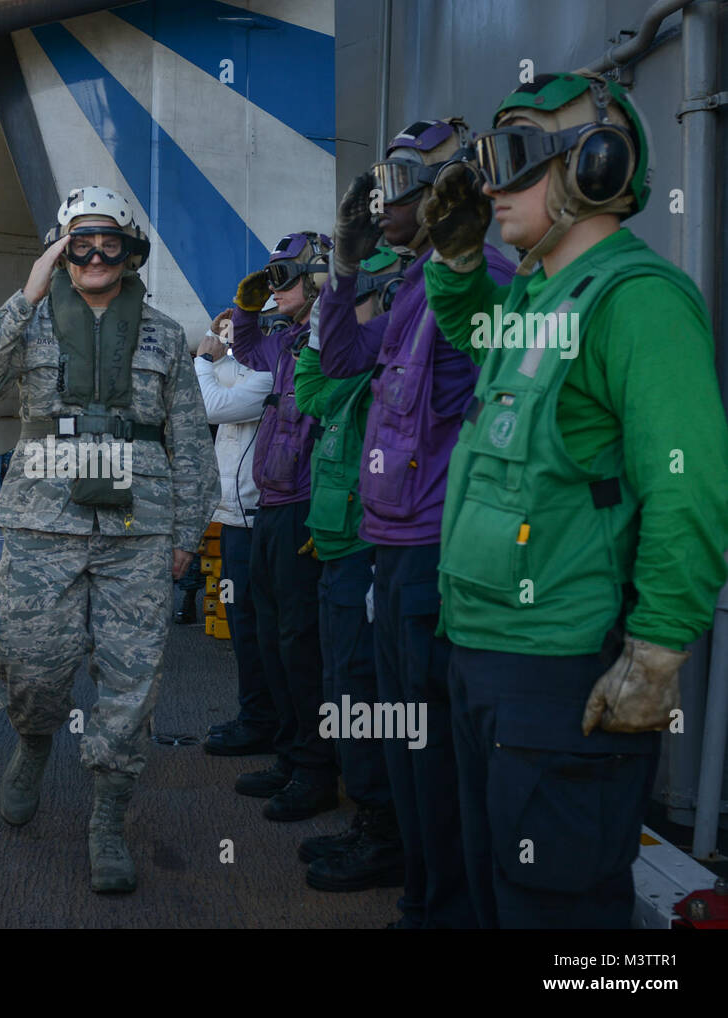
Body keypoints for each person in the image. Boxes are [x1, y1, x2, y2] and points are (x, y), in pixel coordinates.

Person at [420, 72, 728, 928]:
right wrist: (453, 261)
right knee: (500, 891)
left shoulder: (639, 302)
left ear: (594, 166)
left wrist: (659, 650)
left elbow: (688, 482)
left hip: (559, 675)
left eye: (513, 158)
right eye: (485, 161)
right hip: (485, 654)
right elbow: (473, 337)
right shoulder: (537, 293)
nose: (488, 185)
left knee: (558, 914)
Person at [0, 185, 218, 892]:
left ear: (132, 253)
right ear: (60, 248)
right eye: (80, 242)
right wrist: (25, 293)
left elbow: (188, 439)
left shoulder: (163, 334)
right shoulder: (30, 324)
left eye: (112, 244)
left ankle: (107, 819)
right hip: (45, 522)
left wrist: (187, 531)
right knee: (32, 664)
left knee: (132, 685)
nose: (97, 256)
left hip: (139, 529)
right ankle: (33, 741)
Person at [318, 117, 515, 929]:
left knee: (434, 755)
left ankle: (445, 911)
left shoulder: (482, 276)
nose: (378, 200)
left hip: (434, 552)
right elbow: (337, 361)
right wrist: (343, 266)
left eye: (394, 183)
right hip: (390, 547)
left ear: (442, 191)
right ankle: (418, 894)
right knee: (406, 746)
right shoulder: (406, 287)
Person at [292, 245, 411, 892]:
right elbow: (309, 389)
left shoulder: (376, 364)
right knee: (345, 690)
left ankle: (383, 830)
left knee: (365, 697)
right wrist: (323, 328)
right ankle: (369, 817)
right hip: (339, 547)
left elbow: (317, 389)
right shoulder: (351, 361)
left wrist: (343, 333)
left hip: (365, 549)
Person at [228, 231, 338, 821]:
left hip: (305, 509)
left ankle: (317, 769)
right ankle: (291, 756)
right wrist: (248, 308)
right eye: (271, 278)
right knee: (273, 636)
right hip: (271, 506)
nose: (274, 289)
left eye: (283, 278)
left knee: (301, 644)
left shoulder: (333, 340)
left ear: (319, 279)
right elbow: (244, 350)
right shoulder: (284, 342)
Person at [193, 309, 278, 755]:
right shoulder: (241, 367)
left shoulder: (267, 371)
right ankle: (255, 715)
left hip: (257, 515)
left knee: (258, 624)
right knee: (244, 624)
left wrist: (205, 359)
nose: (233, 335)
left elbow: (210, 403)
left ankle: (264, 720)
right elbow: (195, 393)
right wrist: (210, 343)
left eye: (239, 327)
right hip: (234, 516)